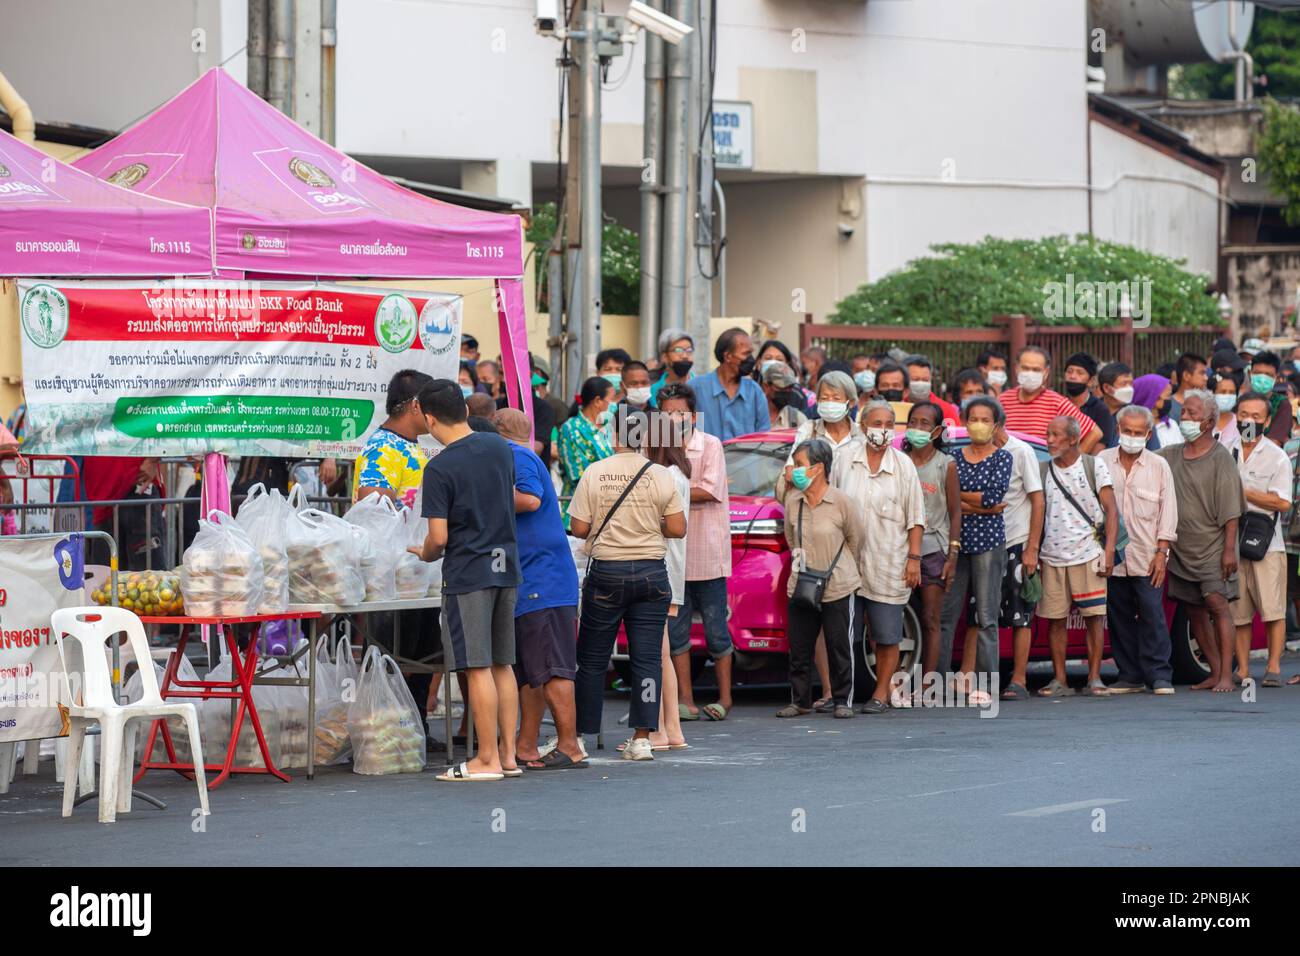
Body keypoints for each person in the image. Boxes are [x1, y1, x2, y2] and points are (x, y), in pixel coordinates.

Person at [411, 380, 522, 782]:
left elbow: (438, 539)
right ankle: (507, 756)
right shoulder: (499, 448)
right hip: (506, 565)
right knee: (502, 664)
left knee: (476, 666)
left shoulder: (439, 467)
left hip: (467, 572)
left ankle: (486, 758)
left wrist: (421, 552)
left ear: (429, 417)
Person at [569, 404, 686, 761]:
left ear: (614, 435)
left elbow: (579, 528)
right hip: (652, 573)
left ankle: (582, 736)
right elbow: (678, 528)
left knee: (591, 659)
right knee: (648, 659)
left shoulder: (595, 472)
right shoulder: (662, 474)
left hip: (607, 573)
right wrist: (652, 525)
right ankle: (641, 739)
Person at [491, 409, 587, 770]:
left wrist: (483, 501)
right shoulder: (524, 455)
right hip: (536, 579)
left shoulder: (516, 457)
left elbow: (528, 499)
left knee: (552, 667)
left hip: (542, 581)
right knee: (534, 670)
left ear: (498, 434)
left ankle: (570, 746)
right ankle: (527, 745)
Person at [839, 400, 926, 714]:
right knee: (842, 631)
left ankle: (881, 692)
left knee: (887, 632)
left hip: (890, 560)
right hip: (847, 561)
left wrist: (914, 559)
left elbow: (916, 518)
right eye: (877, 423)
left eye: (890, 424)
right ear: (863, 426)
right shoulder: (844, 459)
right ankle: (839, 695)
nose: (883, 430)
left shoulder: (903, 465)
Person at [657, 383, 735, 722]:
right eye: (667, 412)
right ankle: (685, 699)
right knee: (677, 632)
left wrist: (668, 488)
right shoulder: (656, 446)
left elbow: (708, 489)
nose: (674, 418)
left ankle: (726, 698)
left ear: (693, 414)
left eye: (680, 412)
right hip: (673, 556)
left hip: (706, 551)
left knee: (717, 630)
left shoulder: (710, 444)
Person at [1158, 389, 1245, 693]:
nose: (1186, 418)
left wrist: (1229, 550)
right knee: (1193, 610)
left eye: (1193, 414)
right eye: (1184, 412)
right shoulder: (1170, 455)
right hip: (1182, 548)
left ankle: (1226, 676)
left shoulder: (1220, 458)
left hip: (1213, 547)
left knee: (1217, 604)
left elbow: (1231, 510)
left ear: (1208, 421)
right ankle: (1214, 669)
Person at [776, 439, 864, 718]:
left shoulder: (841, 502)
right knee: (800, 646)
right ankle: (800, 700)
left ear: (818, 468)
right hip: (802, 583)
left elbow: (856, 540)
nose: (795, 471)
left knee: (839, 645)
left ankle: (842, 700)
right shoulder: (794, 501)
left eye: (800, 465)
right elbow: (792, 540)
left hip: (838, 583)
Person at [1034, 415, 1118, 697]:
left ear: (1073, 439)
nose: (1049, 440)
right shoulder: (1043, 470)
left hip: (1088, 555)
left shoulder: (1094, 467)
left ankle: (1094, 677)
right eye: (1048, 434)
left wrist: (1108, 554)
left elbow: (1112, 511)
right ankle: (1060, 679)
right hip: (1052, 557)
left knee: (1094, 617)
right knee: (1055, 620)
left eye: (1056, 435)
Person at [1099, 405, 1178, 695]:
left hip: (1147, 555)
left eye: (1138, 433)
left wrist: (1162, 553)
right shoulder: (1102, 461)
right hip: (1113, 556)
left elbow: (1168, 512)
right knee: (1118, 614)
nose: (1132, 437)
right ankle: (1129, 675)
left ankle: (1159, 674)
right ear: (1118, 431)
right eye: (1127, 431)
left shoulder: (1159, 466)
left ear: (1147, 434)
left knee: (1152, 613)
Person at [938, 398, 1012, 700]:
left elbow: (993, 500)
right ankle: (937, 682)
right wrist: (976, 505)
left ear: (996, 425)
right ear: (964, 421)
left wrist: (962, 501)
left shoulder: (1002, 458)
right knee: (946, 616)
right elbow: (948, 499)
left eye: (985, 419)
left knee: (986, 616)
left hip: (989, 545)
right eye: (973, 418)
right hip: (954, 543)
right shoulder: (952, 457)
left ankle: (986, 685)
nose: (978, 424)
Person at [634, 409, 692, 751]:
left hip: (659, 567)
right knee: (661, 652)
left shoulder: (662, 476)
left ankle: (660, 729)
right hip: (670, 569)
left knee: (655, 653)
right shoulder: (677, 474)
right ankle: (670, 728)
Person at [1230, 392, 1292, 687]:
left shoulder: (1276, 456)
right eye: (1244, 414)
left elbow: (1283, 503)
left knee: (1272, 609)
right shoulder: (1225, 448)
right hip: (1231, 540)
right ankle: (1242, 669)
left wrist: (1242, 491)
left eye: (1256, 417)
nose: (1249, 421)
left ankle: (1273, 667)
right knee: (1239, 612)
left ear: (1267, 421)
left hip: (1267, 543)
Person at [904, 402, 959, 698]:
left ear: (937, 431)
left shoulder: (945, 464)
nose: (918, 428)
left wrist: (952, 555)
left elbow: (955, 511)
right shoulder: (900, 461)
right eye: (913, 421)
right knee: (894, 616)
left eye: (925, 423)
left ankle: (927, 685)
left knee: (930, 618)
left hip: (934, 549)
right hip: (900, 549)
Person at [992, 403, 1044, 702]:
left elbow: (1037, 500)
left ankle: (1020, 678)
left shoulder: (1021, 451)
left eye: (987, 421)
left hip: (1017, 540)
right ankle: (985, 675)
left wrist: (1032, 549)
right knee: (985, 613)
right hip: (986, 542)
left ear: (1000, 423)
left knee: (1020, 612)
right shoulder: (977, 451)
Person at [1000, 346, 1102, 452]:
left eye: (1036, 370)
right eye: (1025, 368)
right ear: (1016, 368)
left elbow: (1094, 433)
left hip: (1042, 466)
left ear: (1046, 372)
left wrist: (1073, 463)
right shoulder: (1002, 401)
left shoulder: (1057, 403)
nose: (1030, 373)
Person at [781, 370, 863, 489]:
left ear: (851, 403)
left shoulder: (861, 435)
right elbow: (789, 473)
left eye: (836, 398)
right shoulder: (808, 430)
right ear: (817, 401)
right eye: (824, 398)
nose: (830, 403)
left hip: (849, 505)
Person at [557, 375, 615, 522]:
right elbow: (577, 473)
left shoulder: (611, 426)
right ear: (597, 401)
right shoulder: (571, 428)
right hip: (581, 514)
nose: (613, 405)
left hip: (611, 510)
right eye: (611, 400)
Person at [694, 328, 767, 440]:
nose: (751, 359)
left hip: (746, 458)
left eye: (751, 353)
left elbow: (764, 438)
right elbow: (678, 433)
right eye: (746, 354)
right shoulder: (696, 389)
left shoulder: (754, 392)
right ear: (728, 356)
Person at [1064, 352, 1116, 450]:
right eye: (1069, 371)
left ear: (1090, 381)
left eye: (1080, 373)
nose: (1073, 376)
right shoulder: (1059, 404)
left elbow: (1099, 448)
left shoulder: (1100, 410)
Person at [1244, 350, 1294, 445]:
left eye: (1268, 374)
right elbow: (1245, 438)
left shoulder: (1282, 404)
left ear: (1276, 377)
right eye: (1258, 373)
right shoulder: (1242, 402)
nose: (1262, 379)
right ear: (1250, 374)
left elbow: (1274, 442)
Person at [903, 354, 960, 425]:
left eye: (925, 380)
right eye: (915, 379)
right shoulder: (897, 406)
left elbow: (953, 435)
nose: (921, 384)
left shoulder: (945, 409)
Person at [1133, 372, 1182, 449]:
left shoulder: (1172, 424)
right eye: (1168, 396)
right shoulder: (1134, 430)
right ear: (1152, 399)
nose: (1170, 400)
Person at [650, 328, 696, 405]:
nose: (685, 356)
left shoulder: (700, 386)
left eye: (689, 350)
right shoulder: (654, 390)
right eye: (678, 350)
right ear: (664, 357)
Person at [760, 362, 810, 429]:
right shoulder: (751, 415)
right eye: (782, 387)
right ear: (766, 386)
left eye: (790, 387)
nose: (787, 391)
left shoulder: (798, 419)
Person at [1168, 353, 1208, 423]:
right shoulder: (1169, 407)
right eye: (1202, 373)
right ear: (1186, 376)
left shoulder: (1207, 404)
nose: (1206, 378)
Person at [1213, 371, 1242, 453]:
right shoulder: (1199, 422)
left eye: (1232, 392)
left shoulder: (1246, 424)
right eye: (1223, 392)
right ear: (1212, 393)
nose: (1227, 396)